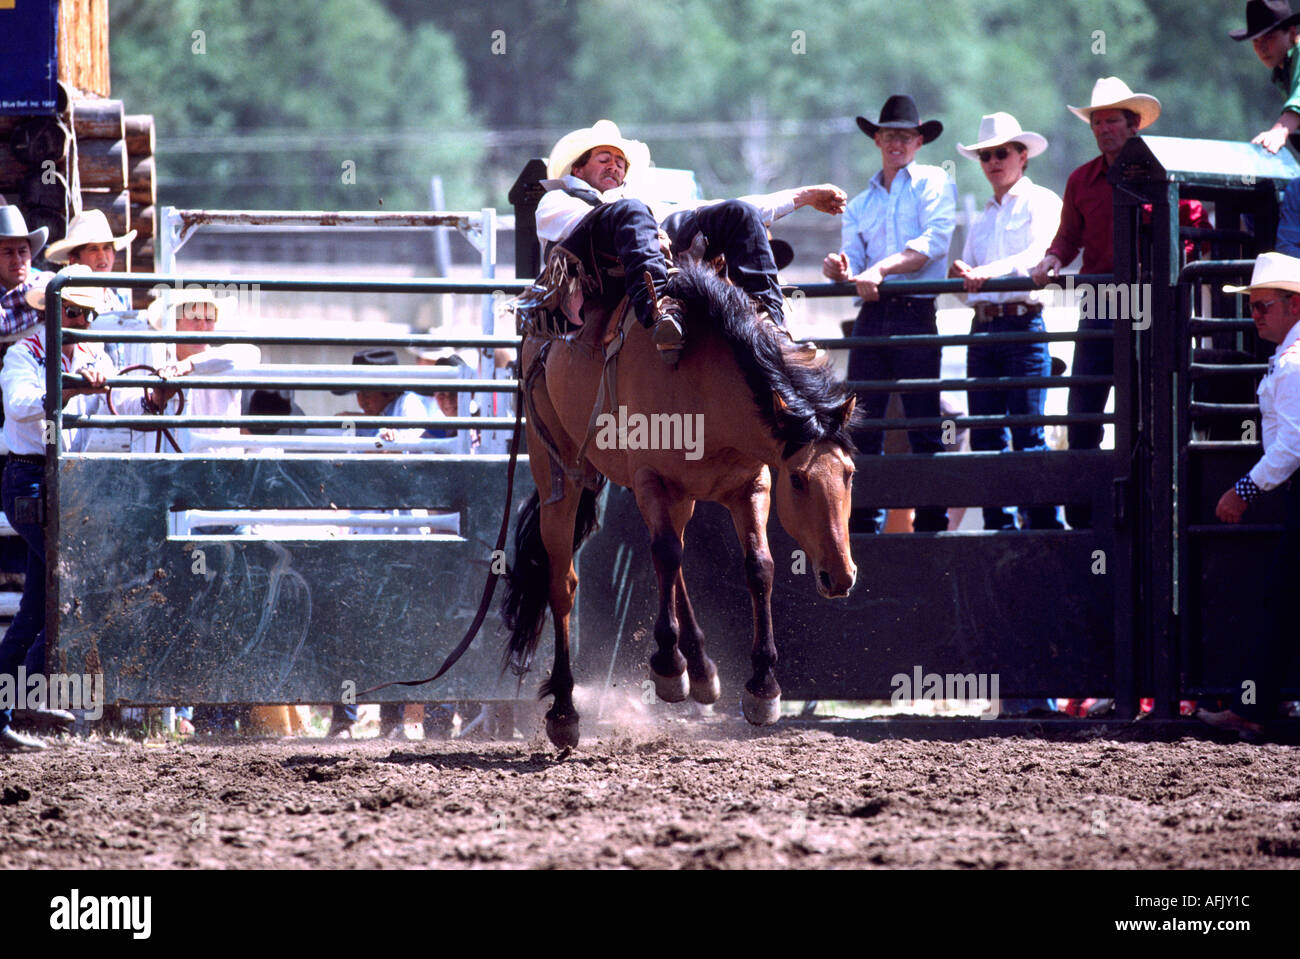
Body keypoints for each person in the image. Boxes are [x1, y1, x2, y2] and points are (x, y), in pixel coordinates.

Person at [1030, 77, 1209, 528]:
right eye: (1097, 121)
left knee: (1150, 404)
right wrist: (1052, 257)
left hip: (1150, 301)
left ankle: (1153, 504)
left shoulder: (1164, 173)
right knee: (1085, 406)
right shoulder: (1081, 179)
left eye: (1112, 120)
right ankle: (1084, 511)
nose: (1103, 128)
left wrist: (1172, 263)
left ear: (1132, 125)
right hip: (1101, 299)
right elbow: (1069, 237)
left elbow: (1195, 229)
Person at [534, 120, 844, 364]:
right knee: (632, 211)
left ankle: (772, 327)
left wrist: (801, 197)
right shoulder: (557, 200)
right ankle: (660, 310)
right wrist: (639, 221)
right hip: (598, 277)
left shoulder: (636, 204)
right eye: (605, 159)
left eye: (620, 161)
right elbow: (584, 225)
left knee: (737, 211)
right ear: (578, 168)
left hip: (639, 235)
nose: (615, 166)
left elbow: (703, 208)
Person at [822, 94, 957, 534]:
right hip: (876, 313)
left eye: (905, 136)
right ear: (878, 140)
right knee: (863, 425)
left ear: (918, 142)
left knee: (923, 423)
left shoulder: (933, 183)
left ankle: (931, 524)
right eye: (889, 135)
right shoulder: (861, 203)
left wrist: (876, 269)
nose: (896, 143)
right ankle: (863, 523)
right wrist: (842, 268)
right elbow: (854, 257)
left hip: (914, 311)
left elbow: (934, 242)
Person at [0, 268, 120, 750]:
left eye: (86, 314)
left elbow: (115, 401)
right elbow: (20, 404)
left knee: (38, 604)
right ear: (52, 313)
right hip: (29, 476)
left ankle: (19, 706)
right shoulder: (22, 353)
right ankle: (29, 698)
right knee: (68, 586)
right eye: (72, 312)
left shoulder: (94, 356)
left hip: (61, 479)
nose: (80, 321)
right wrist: (71, 386)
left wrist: (130, 388)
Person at [950, 113, 1064, 531]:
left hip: (1021, 324)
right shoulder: (983, 217)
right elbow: (970, 285)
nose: (993, 162)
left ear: (1022, 156)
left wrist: (983, 274)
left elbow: (1040, 255)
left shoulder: (1043, 202)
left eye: (1001, 153)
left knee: (1028, 432)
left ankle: (1043, 526)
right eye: (986, 156)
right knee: (986, 435)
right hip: (985, 326)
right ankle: (1002, 527)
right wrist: (964, 277)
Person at [1204, 252, 1300, 741]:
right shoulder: (1289, 359)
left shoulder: (1294, 363)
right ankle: (1258, 707)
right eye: (1254, 306)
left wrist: (1243, 490)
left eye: (1264, 306)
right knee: (1282, 598)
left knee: (1282, 597)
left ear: (1295, 306)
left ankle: (1256, 708)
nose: (1255, 315)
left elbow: (1293, 445)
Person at [1232, 0, 1300, 154]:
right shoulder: (1283, 71)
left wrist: (1279, 131)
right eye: (1256, 40)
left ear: (1292, 33)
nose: (1261, 48)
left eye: (1269, 37)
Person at [42, 210, 136, 312]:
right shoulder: (65, 300)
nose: (102, 256)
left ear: (114, 254)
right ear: (73, 259)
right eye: (93, 249)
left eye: (107, 248)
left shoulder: (120, 298)